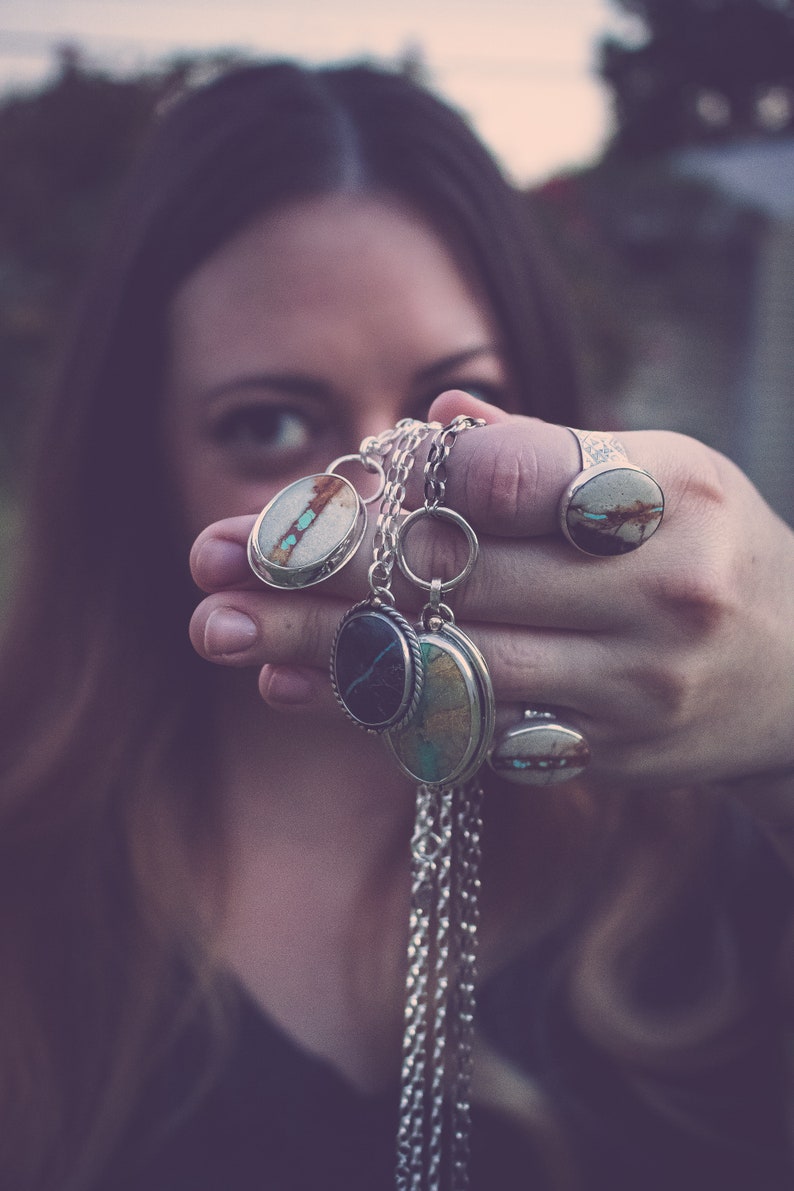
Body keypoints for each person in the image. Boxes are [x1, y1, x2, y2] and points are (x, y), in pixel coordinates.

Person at [1, 58, 793, 1191]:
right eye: (269, 420)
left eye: (446, 416)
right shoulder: (29, 883)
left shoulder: (706, 847)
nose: (378, 497)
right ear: (144, 467)